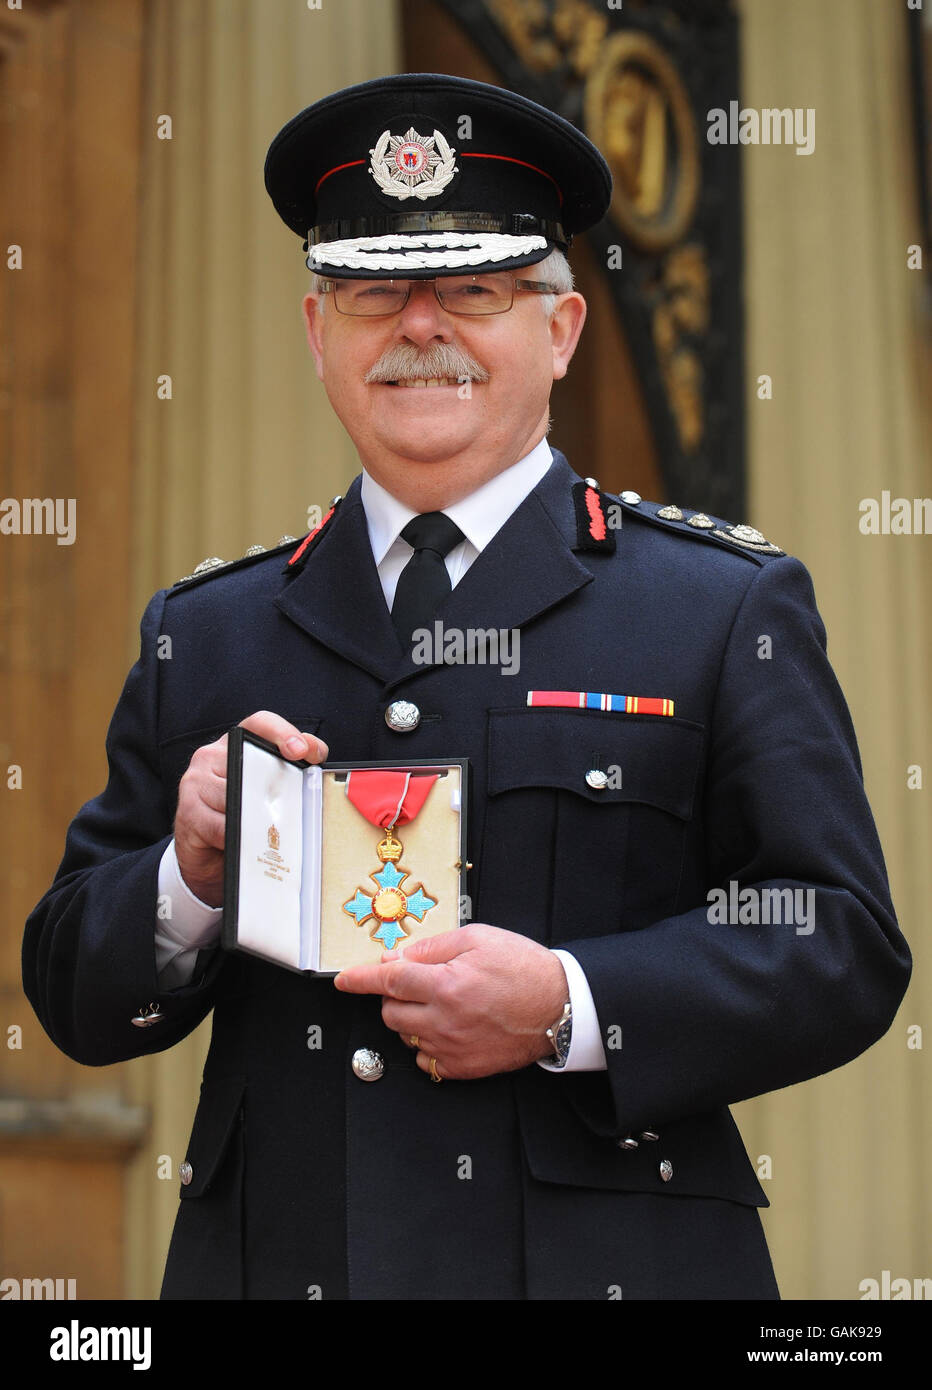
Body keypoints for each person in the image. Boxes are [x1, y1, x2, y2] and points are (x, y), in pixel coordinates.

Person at [23, 72, 911, 1301]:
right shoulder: (207, 630)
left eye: (475, 289)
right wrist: (186, 877)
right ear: (317, 332)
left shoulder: (716, 608)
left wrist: (569, 1002)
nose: (418, 326)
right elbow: (72, 990)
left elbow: (837, 942)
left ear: (558, 330)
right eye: (374, 289)